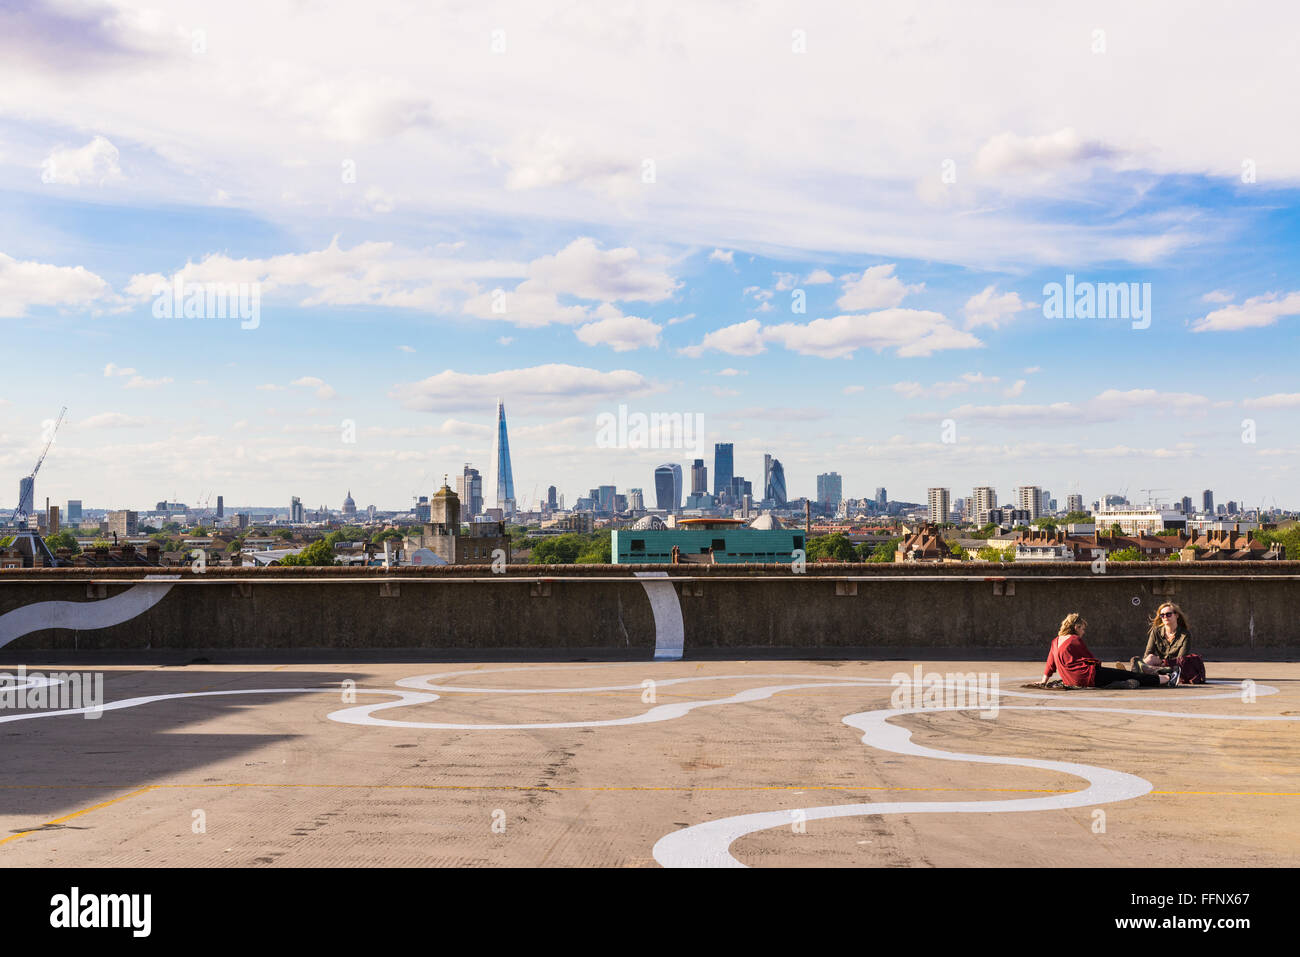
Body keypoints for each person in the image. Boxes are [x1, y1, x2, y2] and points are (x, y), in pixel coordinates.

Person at [1042, 612, 1178, 688]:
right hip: (1087, 676)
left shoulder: (1055, 641)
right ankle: (1166, 678)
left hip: (1069, 680)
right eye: (1082, 629)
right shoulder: (1074, 640)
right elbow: (1091, 660)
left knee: (1120, 675)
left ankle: (1119, 682)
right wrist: (1100, 667)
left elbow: (1050, 664)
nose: (1083, 632)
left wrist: (1043, 681)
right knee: (1129, 675)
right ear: (1076, 627)